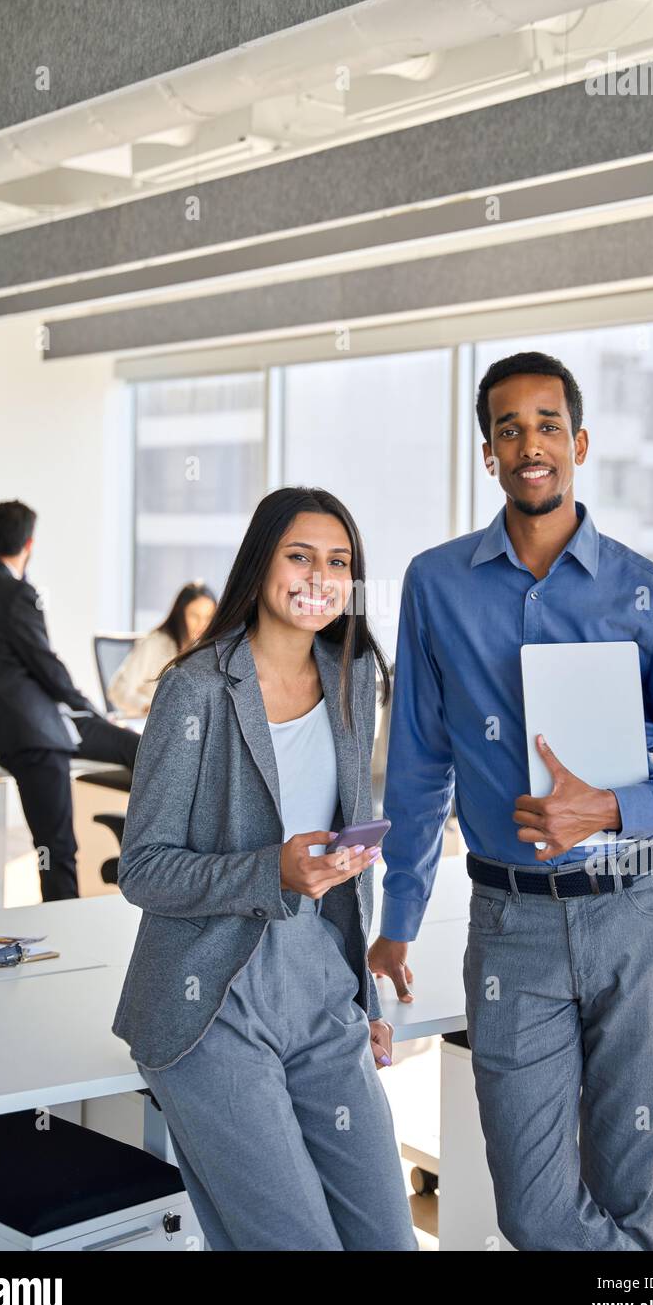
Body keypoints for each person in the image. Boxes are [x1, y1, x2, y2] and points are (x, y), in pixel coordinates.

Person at [370, 350, 653, 1253]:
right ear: (490, 453)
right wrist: (398, 916)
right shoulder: (436, 584)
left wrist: (608, 809)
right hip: (513, 923)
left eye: (547, 425)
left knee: (626, 1194)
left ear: (577, 443)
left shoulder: (646, 592)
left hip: (643, 913)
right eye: (509, 428)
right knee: (535, 1211)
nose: (529, 443)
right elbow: (422, 766)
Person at [112, 486, 418, 1252]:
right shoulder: (198, 687)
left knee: (389, 1241)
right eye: (300, 556)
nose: (320, 576)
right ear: (261, 564)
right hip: (212, 1000)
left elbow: (354, 863)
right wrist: (269, 871)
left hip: (322, 997)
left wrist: (364, 993)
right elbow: (142, 868)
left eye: (339, 561)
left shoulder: (352, 680)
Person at [0, 500, 140, 901]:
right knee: (57, 848)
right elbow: (46, 666)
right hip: (30, 731)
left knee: (54, 846)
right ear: (29, 543)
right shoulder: (18, 593)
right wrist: (92, 708)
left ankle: (144, 836)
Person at [107, 580, 217, 715]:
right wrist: (148, 707)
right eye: (194, 615)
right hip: (151, 723)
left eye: (208, 617)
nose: (202, 623)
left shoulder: (207, 651)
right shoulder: (154, 643)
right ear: (180, 614)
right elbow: (118, 690)